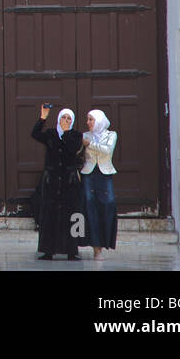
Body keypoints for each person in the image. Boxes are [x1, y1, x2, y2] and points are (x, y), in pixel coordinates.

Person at [30, 105, 83, 260]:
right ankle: (47, 250)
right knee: (49, 215)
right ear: (58, 119)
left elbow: (73, 148)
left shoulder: (76, 135)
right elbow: (34, 134)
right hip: (52, 182)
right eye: (63, 118)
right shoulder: (51, 134)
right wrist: (43, 118)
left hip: (69, 183)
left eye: (68, 119)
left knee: (71, 216)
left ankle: (72, 251)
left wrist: (66, 132)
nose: (65, 121)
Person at [81, 108, 118, 260]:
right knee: (90, 208)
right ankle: (96, 248)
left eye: (91, 119)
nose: (88, 122)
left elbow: (107, 151)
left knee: (108, 205)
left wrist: (89, 144)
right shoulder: (84, 135)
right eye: (88, 119)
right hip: (89, 175)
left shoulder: (111, 135)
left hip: (105, 174)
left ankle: (104, 244)